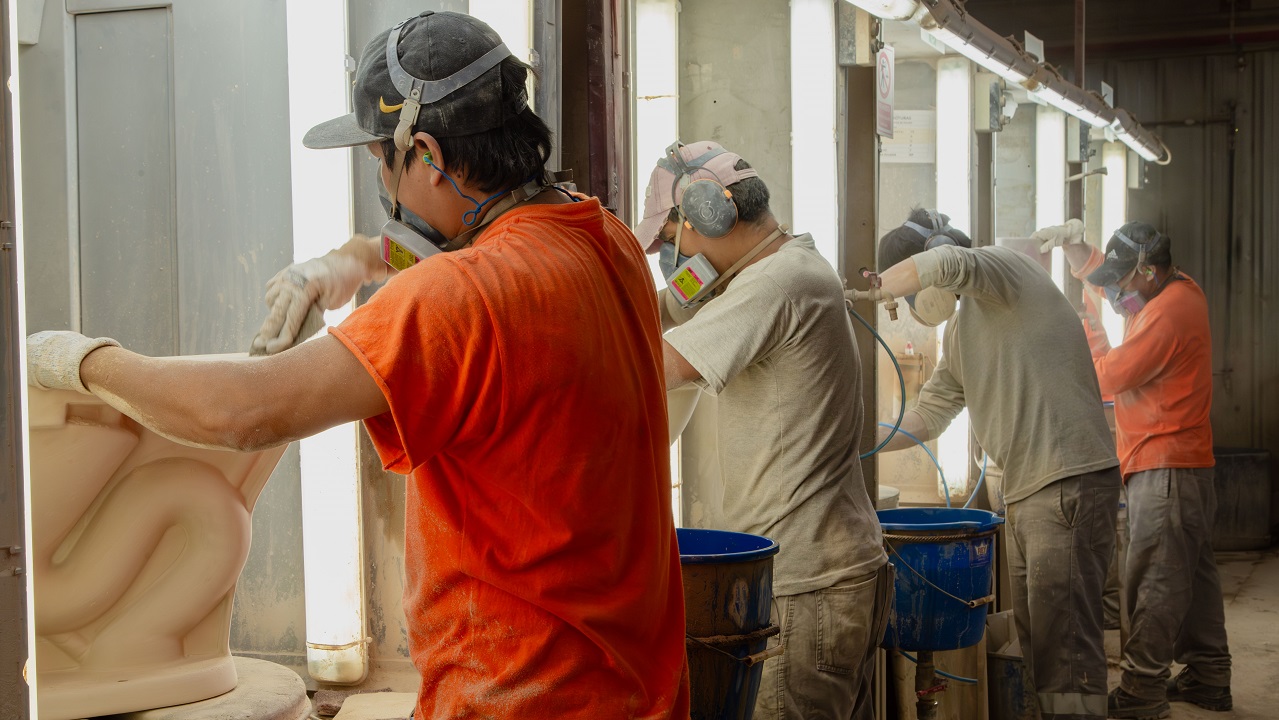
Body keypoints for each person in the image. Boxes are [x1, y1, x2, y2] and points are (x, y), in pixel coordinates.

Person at [25, 11, 689, 719]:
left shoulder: (458, 300)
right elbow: (478, 259)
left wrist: (85, 362)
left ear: (427, 153)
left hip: (518, 694)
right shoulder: (601, 235)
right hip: (631, 688)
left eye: (381, 158)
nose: (380, 176)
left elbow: (244, 413)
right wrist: (350, 262)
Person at [635, 140, 891, 720]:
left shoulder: (774, 283)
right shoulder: (784, 267)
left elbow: (656, 367)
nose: (670, 257)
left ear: (708, 215)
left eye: (673, 240)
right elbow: (659, 313)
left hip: (807, 584)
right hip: (830, 572)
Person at [863, 209, 1121, 720]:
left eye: (913, 294)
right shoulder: (961, 333)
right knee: (1042, 638)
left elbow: (953, 262)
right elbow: (931, 413)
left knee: (1065, 648)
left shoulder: (1004, 272)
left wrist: (885, 285)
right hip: (1031, 492)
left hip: (1065, 480)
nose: (914, 305)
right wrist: (856, 440)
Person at [1036, 219, 1231, 718]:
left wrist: (1088, 325)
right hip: (1183, 464)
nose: (1118, 288)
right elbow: (1111, 275)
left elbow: (1107, 376)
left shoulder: (1168, 314)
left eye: (1125, 279)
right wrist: (1079, 253)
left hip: (1166, 466)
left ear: (1148, 270)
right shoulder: (1173, 289)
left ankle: (1143, 690)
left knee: (1154, 580)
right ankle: (1210, 676)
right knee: (1193, 576)